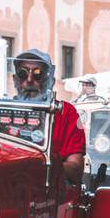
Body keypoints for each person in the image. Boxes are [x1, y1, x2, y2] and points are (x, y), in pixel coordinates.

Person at [12, 49, 85, 186]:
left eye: (37, 74)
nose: (29, 80)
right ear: (15, 80)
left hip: (50, 190)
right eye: (23, 73)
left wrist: (40, 167)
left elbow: (76, 169)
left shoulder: (66, 112)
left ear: (50, 81)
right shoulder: (2, 111)